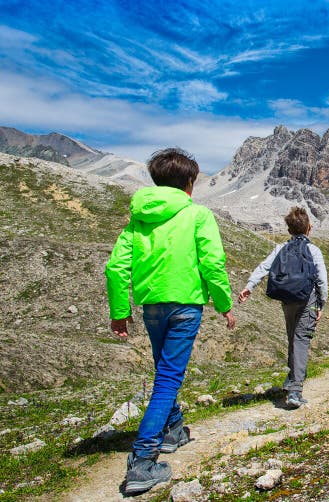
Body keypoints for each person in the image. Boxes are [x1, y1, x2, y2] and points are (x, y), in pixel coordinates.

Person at [105, 148, 236, 495]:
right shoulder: (198, 215)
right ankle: (143, 460)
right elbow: (212, 264)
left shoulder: (139, 217)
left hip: (151, 307)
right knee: (167, 377)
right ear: (190, 183)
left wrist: (120, 311)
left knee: (163, 369)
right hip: (186, 306)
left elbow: (116, 267)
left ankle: (173, 429)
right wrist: (224, 305)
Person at [238, 206, 328, 409]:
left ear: (288, 230)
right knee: (301, 339)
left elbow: (264, 267)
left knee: (292, 337)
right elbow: (322, 280)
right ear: (309, 228)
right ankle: (295, 389)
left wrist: (249, 287)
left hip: (287, 300)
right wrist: (322, 303)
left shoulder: (280, 248)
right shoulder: (314, 250)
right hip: (308, 300)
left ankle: (291, 378)